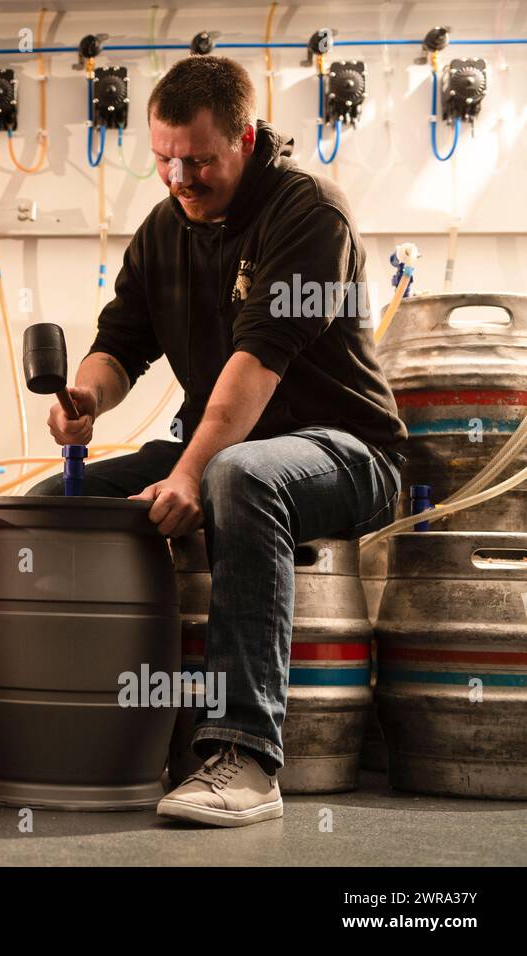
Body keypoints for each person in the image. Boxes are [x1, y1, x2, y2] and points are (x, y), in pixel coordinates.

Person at [31, 55, 405, 827]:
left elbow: (255, 365)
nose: (180, 177)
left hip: (345, 450)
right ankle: (84, 726)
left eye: (199, 159)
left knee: (240, 476)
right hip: (229, 447)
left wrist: (191, 471)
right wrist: (86, 398)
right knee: (53, 505)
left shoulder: (309, 214)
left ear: (246, 135)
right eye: (164, 159)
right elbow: (121, 340)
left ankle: (245, 756)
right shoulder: (164, 230)